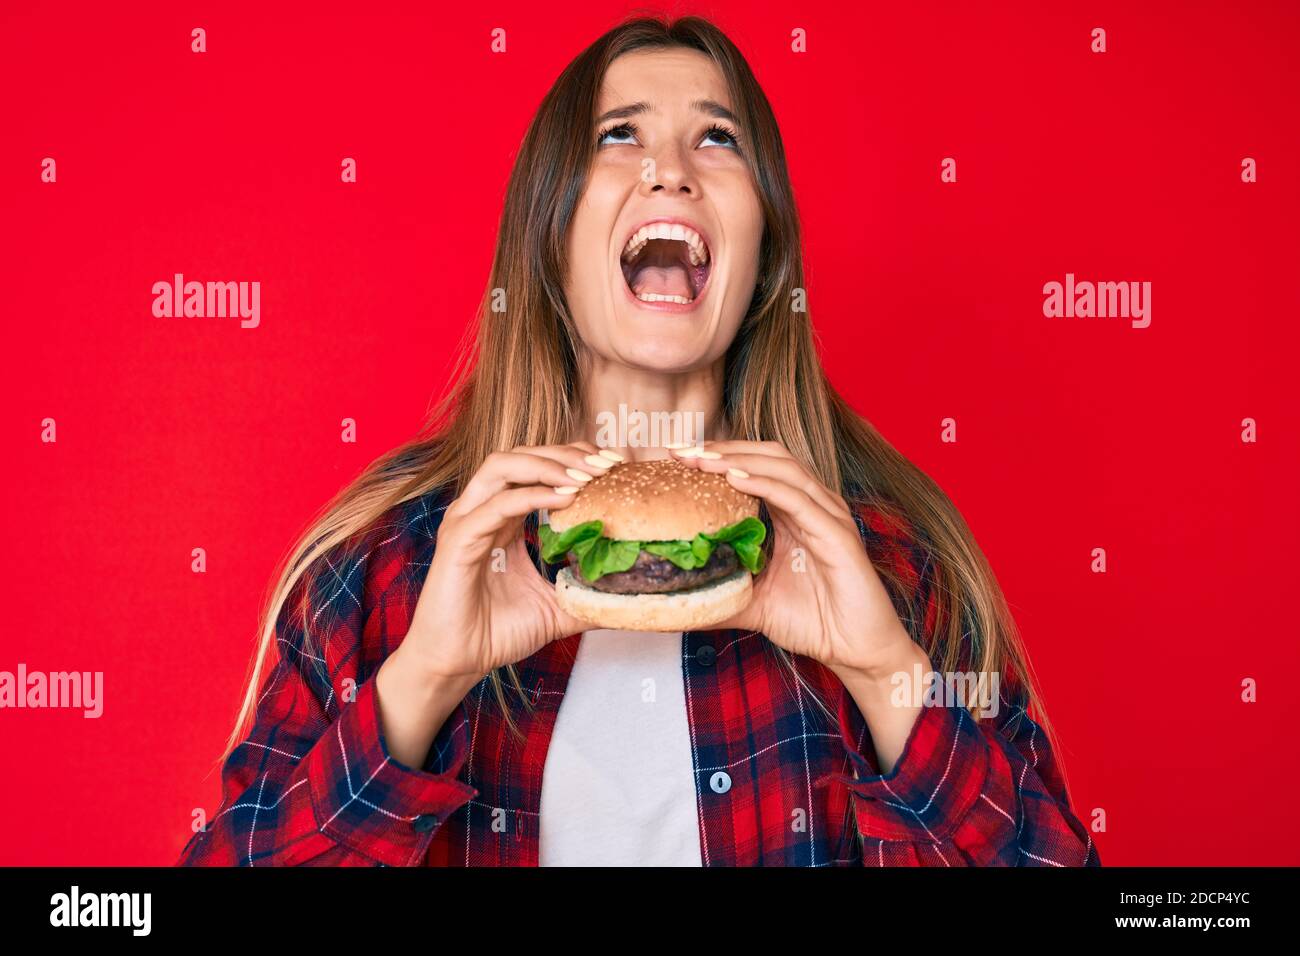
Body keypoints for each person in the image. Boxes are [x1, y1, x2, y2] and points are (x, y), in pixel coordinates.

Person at [178, 15, 1098, 867]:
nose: (671, 171)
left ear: (765, 254)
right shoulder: (385, 570)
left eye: (718, 138)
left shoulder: (893, 565)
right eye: (620, 134)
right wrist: (420, 683)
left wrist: (887, 675)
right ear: (549, 237)